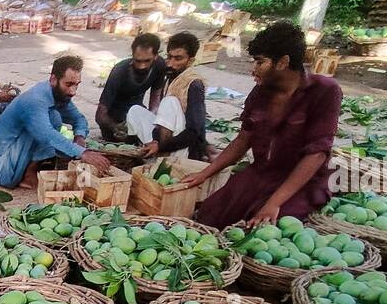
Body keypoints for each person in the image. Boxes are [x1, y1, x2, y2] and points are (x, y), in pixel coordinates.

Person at [185, 21, 342, 228]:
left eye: (260, 62)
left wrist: (274, 203)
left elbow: (317, 154)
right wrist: (204, 174)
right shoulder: (260, 93)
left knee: (265, 226)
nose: (254, 69)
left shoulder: (324, 91)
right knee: (210, 214)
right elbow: (243, 139)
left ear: (283, 62)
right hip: (261, 173)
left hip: (301, 181)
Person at [0, 56, 111, 190]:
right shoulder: (36, 100)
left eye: (77, 84)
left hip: (16, 154)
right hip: (3, 167)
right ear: (53, 79)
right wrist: (83, 153)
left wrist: (79, 137)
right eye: (68, 84)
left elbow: (79, 119)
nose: (73, 92)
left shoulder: (59, 94)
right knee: (53, 118)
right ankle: (27, 175)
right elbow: (47, 135)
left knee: (54, 119)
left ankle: (29, 170)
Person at [141, 31, 209, 162]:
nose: (170, 64)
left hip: (183, 148)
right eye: (169, 57)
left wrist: (160, 146)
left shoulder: (194, 84)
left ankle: (160, 154)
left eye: (178, 59)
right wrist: (156, 140)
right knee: (135, 111)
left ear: (190, 61)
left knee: (169, 102)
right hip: (168, 137)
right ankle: (154, 148)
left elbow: (194, 131)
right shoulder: (171, 77)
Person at [95, 33, 166, 144]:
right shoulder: (120, 71)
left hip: (136, 112)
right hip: (115, 120)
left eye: (147, 61)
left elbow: (156, 99)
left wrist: (153, 121)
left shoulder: (160, 65)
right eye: (138, 60)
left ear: (156, 56)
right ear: (132, 55)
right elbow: (100, 115)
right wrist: (115, 127)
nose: (142, 66)